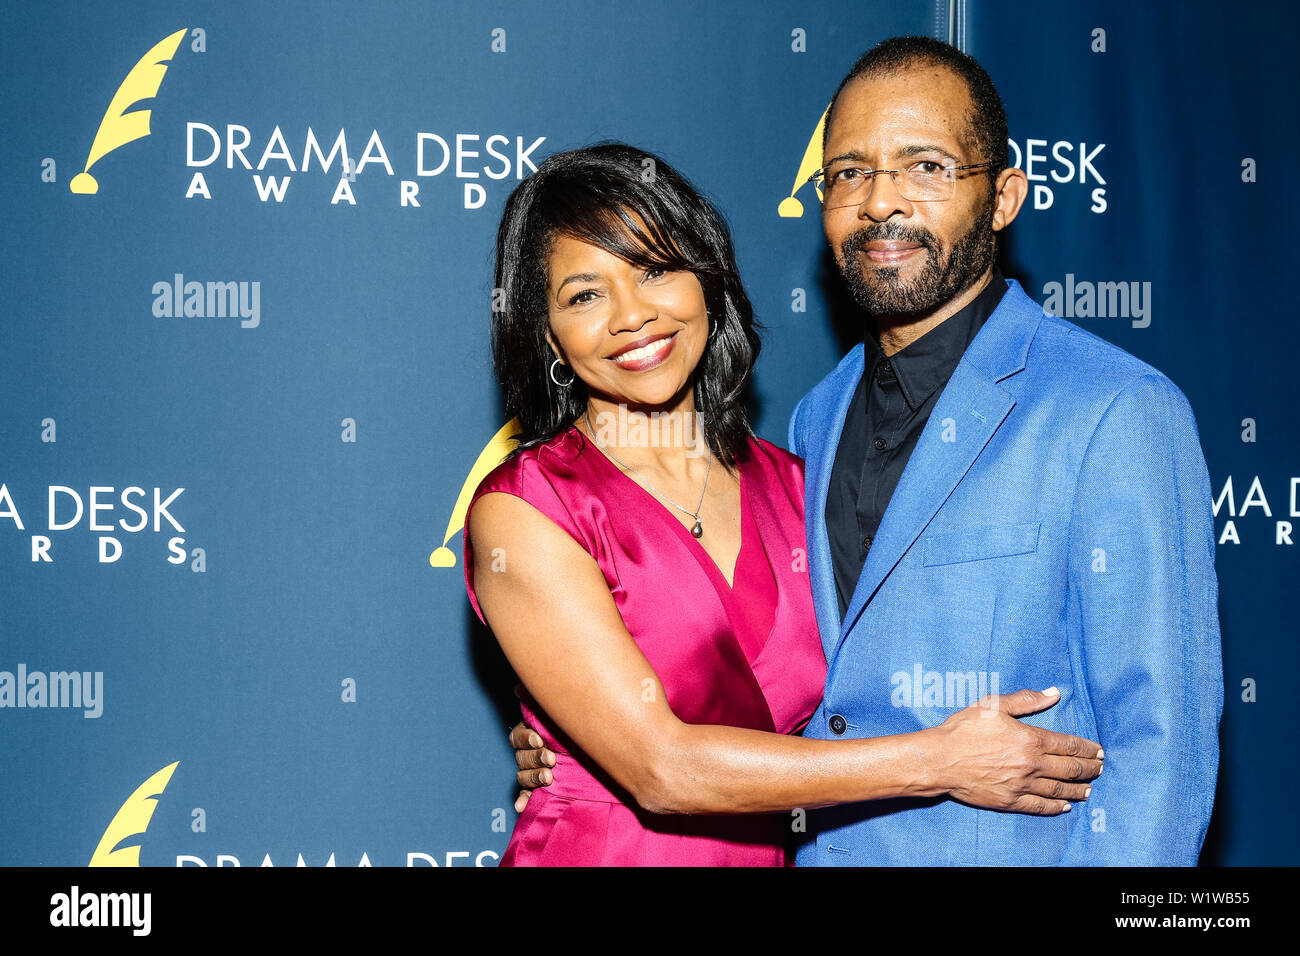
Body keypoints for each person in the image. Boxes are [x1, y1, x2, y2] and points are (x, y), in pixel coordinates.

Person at [512, 38, 1222, 866]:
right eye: (849, 173)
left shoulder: (1114, 410)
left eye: (925, 167)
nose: (881, 203)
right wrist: (585, 746)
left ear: (1003, 198)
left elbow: (1161, 754)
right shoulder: (816, 420)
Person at [466, 142, 1102, 866]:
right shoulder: (527, 509)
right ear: (546, 332)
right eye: (584, 294)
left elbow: (871, 695)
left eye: (654, 270)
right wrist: (942, 760)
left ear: (705, 280)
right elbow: (662, 769)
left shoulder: (801, 484)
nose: (631, 316)